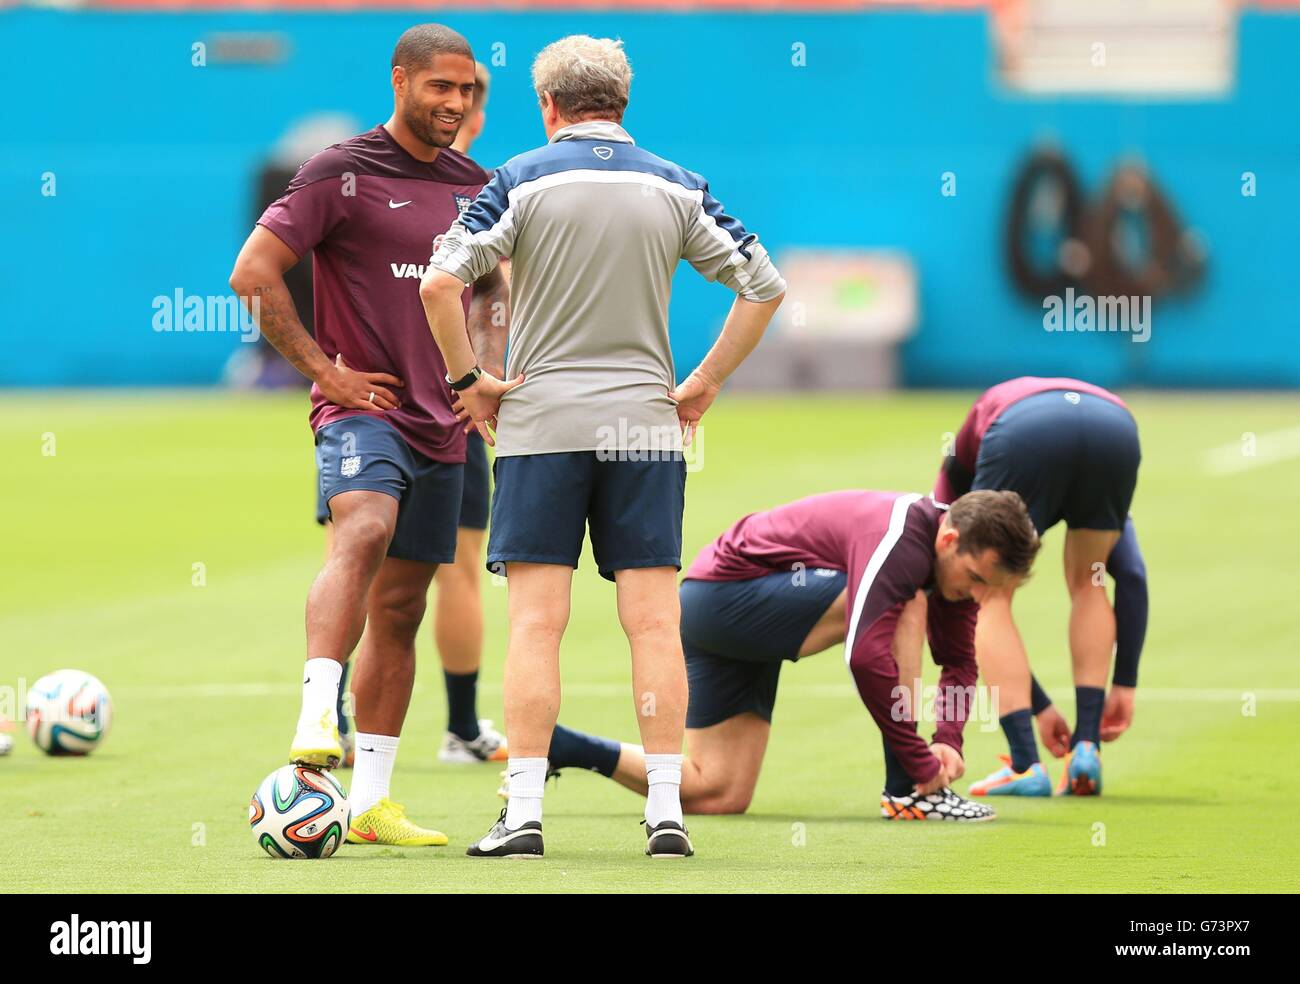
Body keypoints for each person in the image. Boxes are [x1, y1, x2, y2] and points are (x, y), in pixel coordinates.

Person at [421, 35, 786, 858]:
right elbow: (764, 283)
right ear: (623, 102)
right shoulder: (677, 185)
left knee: (536, 626)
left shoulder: (517, 178)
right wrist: (707, 380)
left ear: (547, 104)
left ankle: (523, 815)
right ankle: (666, 810)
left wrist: (467, 380)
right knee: (654, 625)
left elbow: (439, 282)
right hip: (645, 425)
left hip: (540, 423)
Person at [229, 23, 509, 847]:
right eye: (439, 88)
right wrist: (325, 371)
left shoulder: (477, 185)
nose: (454, 104)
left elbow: (495, 293)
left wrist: (482, 375)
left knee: (403, 608)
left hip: (446, 423)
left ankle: (374, 803)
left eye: (466, 90)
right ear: (401, 82)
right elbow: (253, 271)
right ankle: (320, 709)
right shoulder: (341, 171)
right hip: (362, 409)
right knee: (364, 524)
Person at [510, 490, 1039, 823]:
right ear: (950, 539)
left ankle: (564, 746)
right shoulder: (905, 541)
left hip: (737, 616)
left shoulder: (952, 572)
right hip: (723, 601)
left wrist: (947, 741)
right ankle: (908, 791)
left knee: (716, 792)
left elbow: (960, 664)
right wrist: (921, 764)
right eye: (975, 579)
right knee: (901, 609)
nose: (976, 596)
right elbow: (864, 655)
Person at [326, 59, 508, 770]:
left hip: (377, 406)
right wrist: (480, 374)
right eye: (453, 95)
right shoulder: (483, 192)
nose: (460, 109)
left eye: (467, 97)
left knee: (351, 551)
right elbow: (502, 293)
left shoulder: (372, 178)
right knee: (454, 566)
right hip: (439, 403)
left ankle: (331, 714)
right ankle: (460, 726)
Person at [932, 377, 1147, 797]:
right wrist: (1125, 682)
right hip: (1115, 426)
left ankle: (1026, 764)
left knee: (990, 595)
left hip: (1023, 431)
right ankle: (1087, 746)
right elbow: (1133, 576)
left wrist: (1038, 707)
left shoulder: (957, 477)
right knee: (1091, 580)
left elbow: (944, 566)